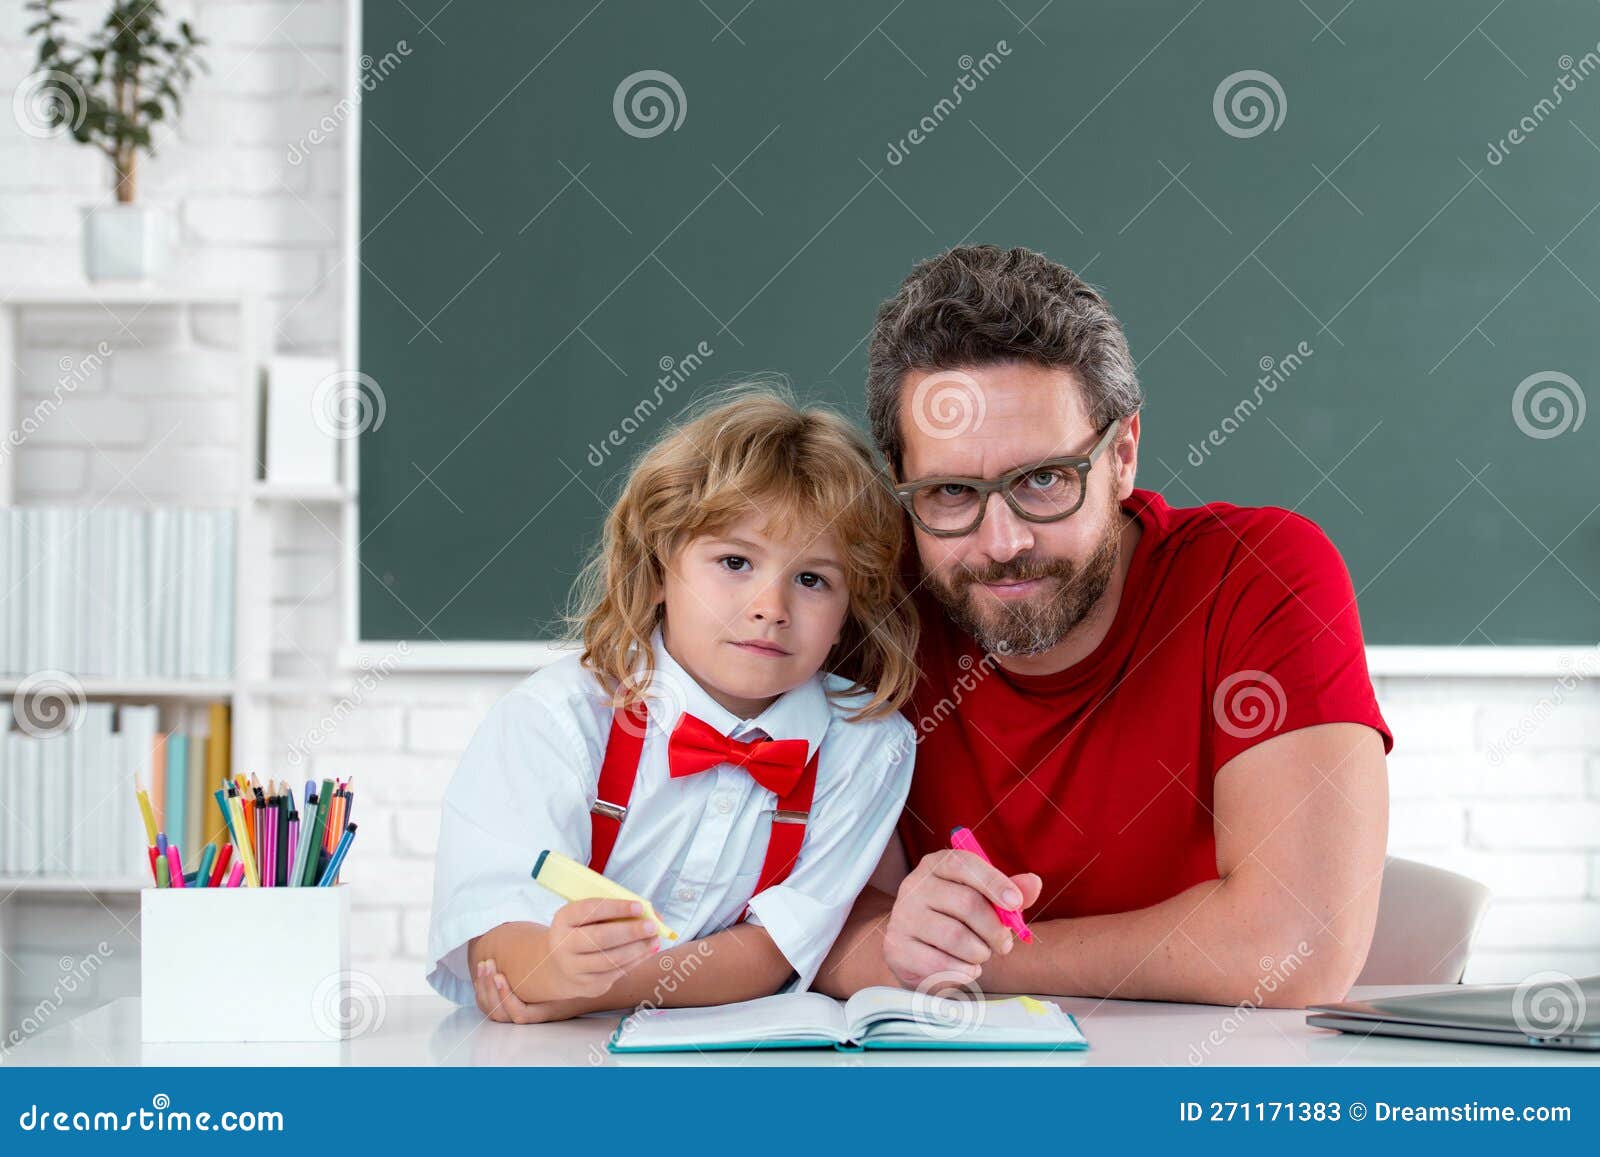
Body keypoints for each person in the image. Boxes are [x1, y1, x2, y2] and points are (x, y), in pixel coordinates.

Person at [817, 244, 1393, 1008]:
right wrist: (880, 940)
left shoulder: (1260, 574)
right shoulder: (852, 606)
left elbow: (1295, 949)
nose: (1002, 542)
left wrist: (962, 959)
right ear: (901, 485)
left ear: (1122, 455)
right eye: (952, 491)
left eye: (1044, 479)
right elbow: (778, 929)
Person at [425, 388, 919, 1022]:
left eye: (812, 579)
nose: (771, 606)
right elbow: (492, 943)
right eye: (735, 561)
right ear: (660, 568)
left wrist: (587, 989)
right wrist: (550, 961)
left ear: (851, 607)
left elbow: (775, 954)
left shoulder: (867, 746)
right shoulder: (554, 722)